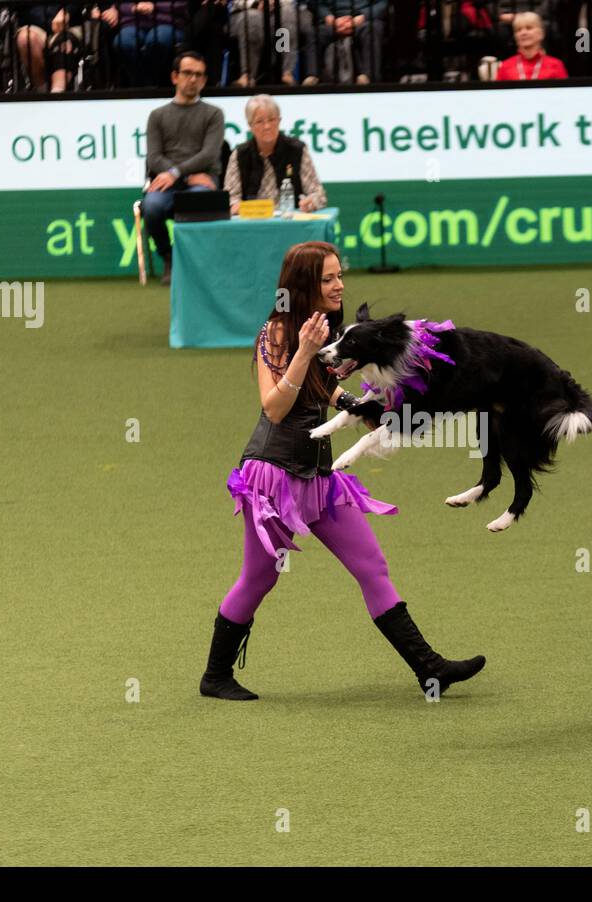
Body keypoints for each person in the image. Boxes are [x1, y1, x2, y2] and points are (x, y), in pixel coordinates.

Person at [202, 241, 487, 701]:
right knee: (260, 577)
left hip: (319, 478)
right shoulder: (276, 331)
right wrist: (304, 351)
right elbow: (274, 408)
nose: (340, 285)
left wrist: (358, 403)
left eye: (340, 276)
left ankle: (430, 671)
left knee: (371, 565)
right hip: (273, 477)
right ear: (305, 286)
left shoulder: (327, 329)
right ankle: (215, 677)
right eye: (329, 279)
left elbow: (323, 388)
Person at [143, 51, 224, 284]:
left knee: (197, 203)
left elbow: (209, 155)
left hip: (203, 184)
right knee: (152, 207)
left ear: (204, 80)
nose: (193, 79)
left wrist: (176, 173)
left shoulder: (213, 114)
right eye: (187, 73)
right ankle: (168, 257)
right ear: (174, 77)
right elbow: (154, 158)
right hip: (172, 184)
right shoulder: (157, 116)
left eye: (199, 75)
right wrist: (184, 177)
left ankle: (191, 264)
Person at [223, 93, 327, 215]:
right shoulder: (240, 154)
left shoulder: (297, 149)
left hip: (289, 221)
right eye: (260, 121)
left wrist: (311, 202)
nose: (267, 126)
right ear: (250, 126)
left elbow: (319, 194)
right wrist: (237, 206)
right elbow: (230, 198)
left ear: (279, 121)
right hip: (252, 222)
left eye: (272, 120)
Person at [229, 0, 318, 85]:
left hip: (277, 11)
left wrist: (274, 2)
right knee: (252, 19)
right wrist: (256, 3)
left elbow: (290, 2)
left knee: (287, 15)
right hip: (246, 12)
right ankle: (248, 75)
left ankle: (286, 72)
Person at [111, 0, 187, 87]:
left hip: (168, 22)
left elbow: (181, 5)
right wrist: (133, 7)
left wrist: (155, 6)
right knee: (124, 43)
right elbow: (119, 5)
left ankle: (149, 85)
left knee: (157, 40)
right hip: (133, 22)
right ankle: (143, 85)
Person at [13, 4, 86, 93]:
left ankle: (57, 93)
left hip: (69, 25)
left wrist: (66, 11)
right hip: (34, 24)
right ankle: (42, 92)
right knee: (25, 39)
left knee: (64, 43)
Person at [494, 10, 568, 80]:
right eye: (518, 30)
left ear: (541, 33)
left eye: (529, 28)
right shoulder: (505, 66)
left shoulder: (556, 65)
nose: (523, 33)